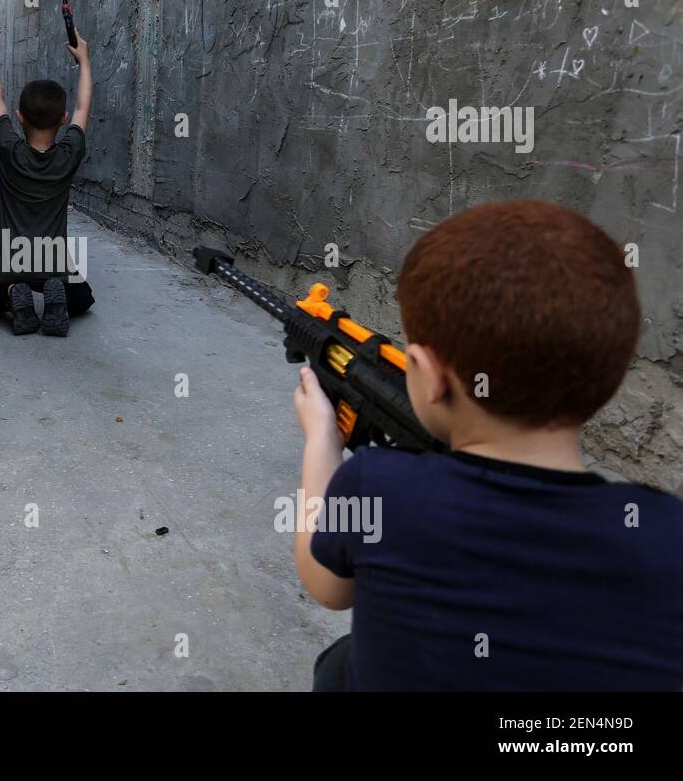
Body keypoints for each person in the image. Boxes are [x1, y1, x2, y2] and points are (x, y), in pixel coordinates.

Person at [293, 200, 683, 690]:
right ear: (607, 380)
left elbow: (327, 587)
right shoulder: (664, 532)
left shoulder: (378, 484)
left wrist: (320, 441)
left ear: (429, 377)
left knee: (336, 669)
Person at [0, 16, 94, 336]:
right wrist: (84, 61)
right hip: (53, 264)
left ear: (20, 118)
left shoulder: (10, 150)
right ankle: (56, 292)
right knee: (83, 298)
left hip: (8, 264)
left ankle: (13, 293)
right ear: (63, 120)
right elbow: (84, 106)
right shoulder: (69, 154)